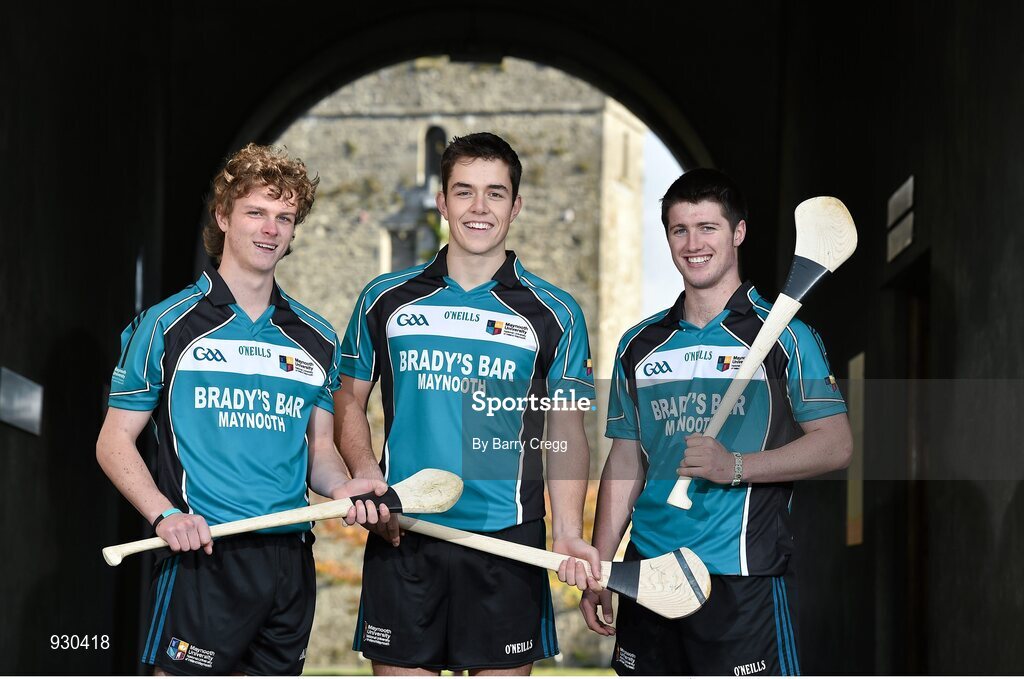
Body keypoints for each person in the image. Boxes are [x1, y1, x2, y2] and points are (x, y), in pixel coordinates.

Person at [96, 143, 388, 676]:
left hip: (289, 561)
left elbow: (320, 450)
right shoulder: (166, 326)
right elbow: (113, 442)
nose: (270, 229)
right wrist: (164, 515)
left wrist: (344, 487)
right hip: (203, 553)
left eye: (284, 217)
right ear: (223, 216)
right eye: (256, 211)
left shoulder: (317, 337)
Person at [336, 132, 601, 675]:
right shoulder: (385, 298)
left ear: (516, 205)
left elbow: (567, 432)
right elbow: (347, 398)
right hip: (404, 531)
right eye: (464, 192)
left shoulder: (555, 313)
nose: (479, 208)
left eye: (495, 194)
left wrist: (569, 532)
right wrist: (367, 475)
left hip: (508, 544)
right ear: (442, 201)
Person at [578, 168, 853, 675]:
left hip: (742, 575)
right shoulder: (638, 344)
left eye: (708, 227)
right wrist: (603, 564)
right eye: (679, 230)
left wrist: (735, 466)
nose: (693, 243)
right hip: (650, 573)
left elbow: (835, 445)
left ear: (738, 233)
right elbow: (625, 458)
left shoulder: (787, 337)